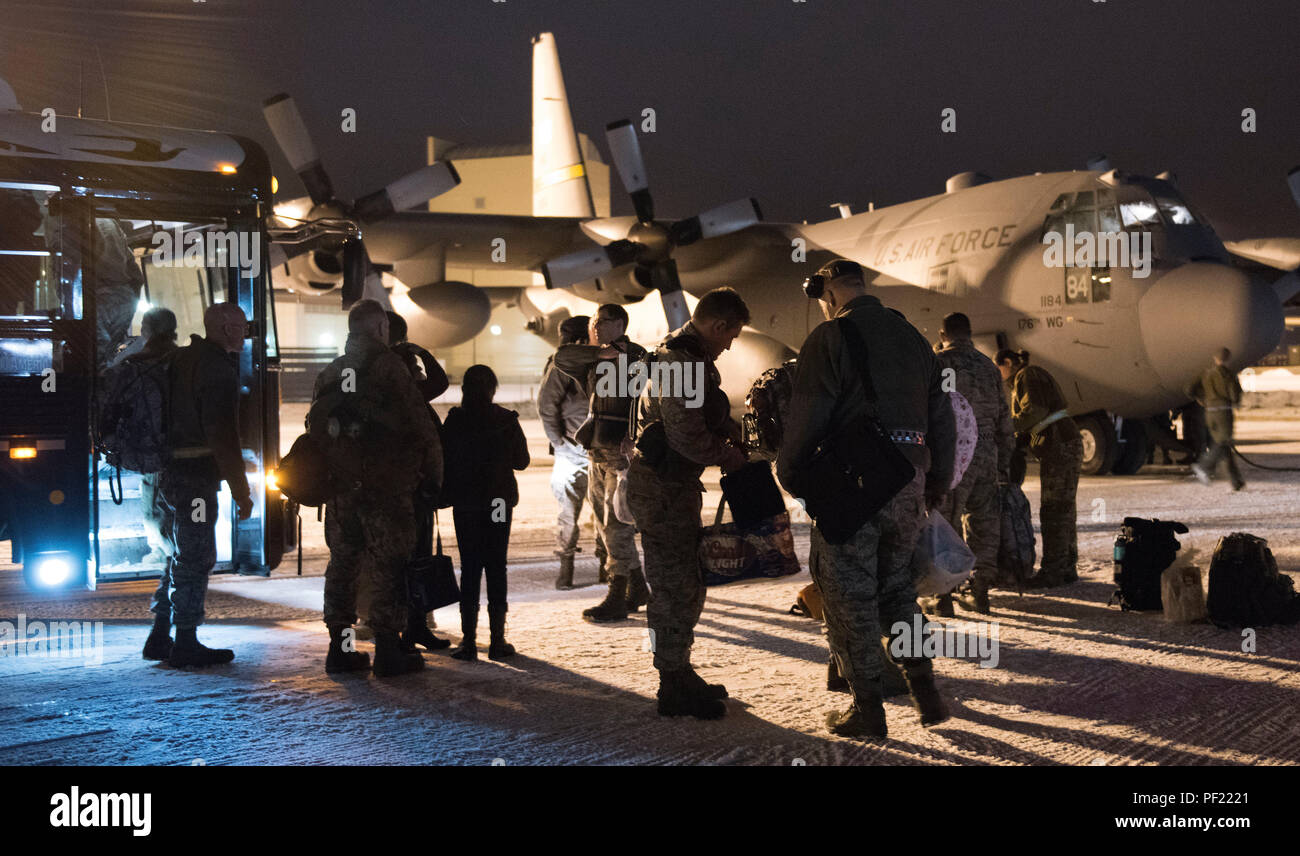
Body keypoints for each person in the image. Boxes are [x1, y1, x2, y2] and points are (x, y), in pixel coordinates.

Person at [778, 259, 955, 740]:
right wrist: (937, 477)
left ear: (830, 295)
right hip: (910, 480)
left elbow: (808, 412)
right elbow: (943, 413)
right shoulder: (915, 338)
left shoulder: (830, 337)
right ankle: (926, 691)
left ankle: (868, 710)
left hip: (854, 486)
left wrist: (790, 472)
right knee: (897, 589)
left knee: (850, 597)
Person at [627, 287, 750, 719]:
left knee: (685, 585)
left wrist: (734, 431)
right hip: (661, 489)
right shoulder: (680, 362)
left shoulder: (687, 357)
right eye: (730, 336)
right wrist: (729, 456)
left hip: (672, 487)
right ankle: (671, 682)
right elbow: (685, 435)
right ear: (718, 325)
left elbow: (698, 420)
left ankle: (679, 669)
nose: (730, 345)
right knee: (672, 588)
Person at [311, 299, 441, 677]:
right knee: (388, 567)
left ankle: (342, 650)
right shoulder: (391, 370)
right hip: (386, 490)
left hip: (341, 492)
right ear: (381, 329)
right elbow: (421, 428)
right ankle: (387, 652)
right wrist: (433, 478)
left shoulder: (332, 372)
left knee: (343, 567)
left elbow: (315, 431)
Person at [144, 303, 252, 667]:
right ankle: (186, 640)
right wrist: (242, 490)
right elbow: (224, 436)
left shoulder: (181, 359)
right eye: (240, 325)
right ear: (224, 327)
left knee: (178, 551)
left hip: (168, 474)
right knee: (196, 556)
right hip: (195, 478)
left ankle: (160, 634)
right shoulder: (217, 368)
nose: (245, 331)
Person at [555, 304, 648, 623]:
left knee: (615, 522)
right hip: (597, 448)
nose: (594, 327)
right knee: (603, 520)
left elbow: (646, 399)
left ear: (620, 323)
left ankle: (618, 590)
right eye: (593, 322)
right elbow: (562, 358)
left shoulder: (637, 356)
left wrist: (635, 437)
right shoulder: (595, 357)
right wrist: (599, 355)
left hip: (622, 452)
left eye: (602, 322)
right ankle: (636, 585)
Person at [440, 365, 530, 661]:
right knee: (496, 567)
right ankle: (497, 640)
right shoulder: (506, 421)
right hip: (498, 503)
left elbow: (443, 461)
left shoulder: (455, 421)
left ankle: (467, 641)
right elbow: (521, 461)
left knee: (470, 569)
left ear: (465, 389)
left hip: (466, 502)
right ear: (493, 389)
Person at [933, 312, 1014, 615]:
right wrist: (1004, 458)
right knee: (984, 522)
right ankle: (979, 592)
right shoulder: (988, 366)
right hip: (986, 455)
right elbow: (1004, 417)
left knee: (945, 524)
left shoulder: (938, 363)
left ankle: (942, 595)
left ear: (943, 334)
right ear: (969, 333)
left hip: (953, 455)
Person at [387, 310, 451, 651]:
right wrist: (421, 352)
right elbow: (438, 383)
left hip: (405, 486)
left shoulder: (368, 367)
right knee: (409, 558)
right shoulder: (393, 372)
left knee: (408, 558)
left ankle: (411, 627)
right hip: (409, 487)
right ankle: (404, 631)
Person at [996, 348, 1082, 587]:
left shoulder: (1027, 375)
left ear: (1008, 362)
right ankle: (1066, 567)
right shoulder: (1030, 375)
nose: (999, 374)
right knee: (1064, 509)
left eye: (999, 368)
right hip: (1062, 442)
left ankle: (1053, 571)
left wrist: (1007, 428)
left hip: (1058, 444)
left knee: (1054, 510)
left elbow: (1035, 411)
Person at [538, 315, 601, 589]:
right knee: (569, 514)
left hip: (597, 451)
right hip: (573, 453)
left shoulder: (599, 361)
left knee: (604, 512)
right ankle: (566, 568)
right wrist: (560, 443)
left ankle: (606, 566)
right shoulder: (562, 364)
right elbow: (546, 406)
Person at [123, 308, 181, 572]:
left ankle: (167, 554)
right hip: (182, 447)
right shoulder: (184, 360)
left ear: (148, 330)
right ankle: (170, 550)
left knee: (153, 507)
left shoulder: (137, 363)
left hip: (150, 448)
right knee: (172, 506)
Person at [1188, 347, 1245, 491]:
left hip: (1209, 413)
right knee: (1223, 442)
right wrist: (1236, 400)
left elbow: (1189, 389)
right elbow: (1234, 394)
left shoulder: (1205, 373)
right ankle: (1203, 466)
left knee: (1224, 446)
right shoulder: (1228, 375)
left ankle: (1236, 481)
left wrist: (1201, 399)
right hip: (1223, 413)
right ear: (1228, 358)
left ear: (1215, 358)